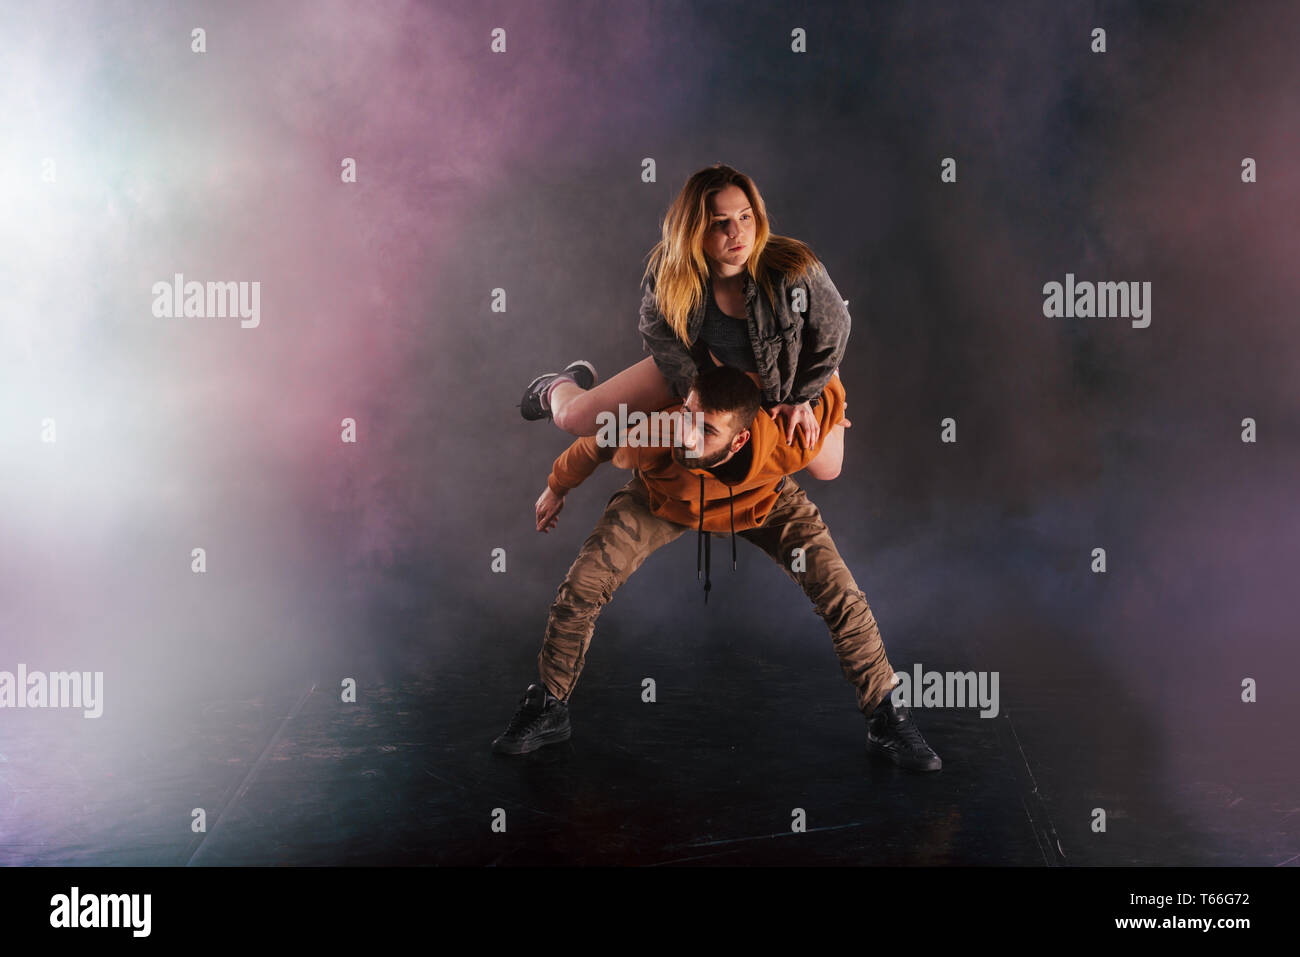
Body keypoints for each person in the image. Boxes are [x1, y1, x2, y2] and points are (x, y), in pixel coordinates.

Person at [494, 364, 941, 772]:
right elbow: (594, 443)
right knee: (582, 586)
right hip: (665, 502)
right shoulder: (659, 428)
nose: (688, 436)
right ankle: (549, 705)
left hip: (765, 502)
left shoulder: (788, 443)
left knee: (841, 593)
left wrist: (813, 391)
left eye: (706, 430)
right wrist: (556, 487)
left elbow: (833, 389)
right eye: (689, 416)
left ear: (741, 439)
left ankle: (887, 715)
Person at [519, 163, 853, 455]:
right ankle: (555, 386)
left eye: (744, 217)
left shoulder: (793, 267)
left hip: (782, 379)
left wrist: (802, 398)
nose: (736, 232)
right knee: (573, 418)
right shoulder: (673, 267)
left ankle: (830, 388)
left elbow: (835, 327)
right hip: (703, 371)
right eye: (719, 222)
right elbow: (656, 330)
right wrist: (694, 392)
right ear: (695, 229)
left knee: (828, 467)